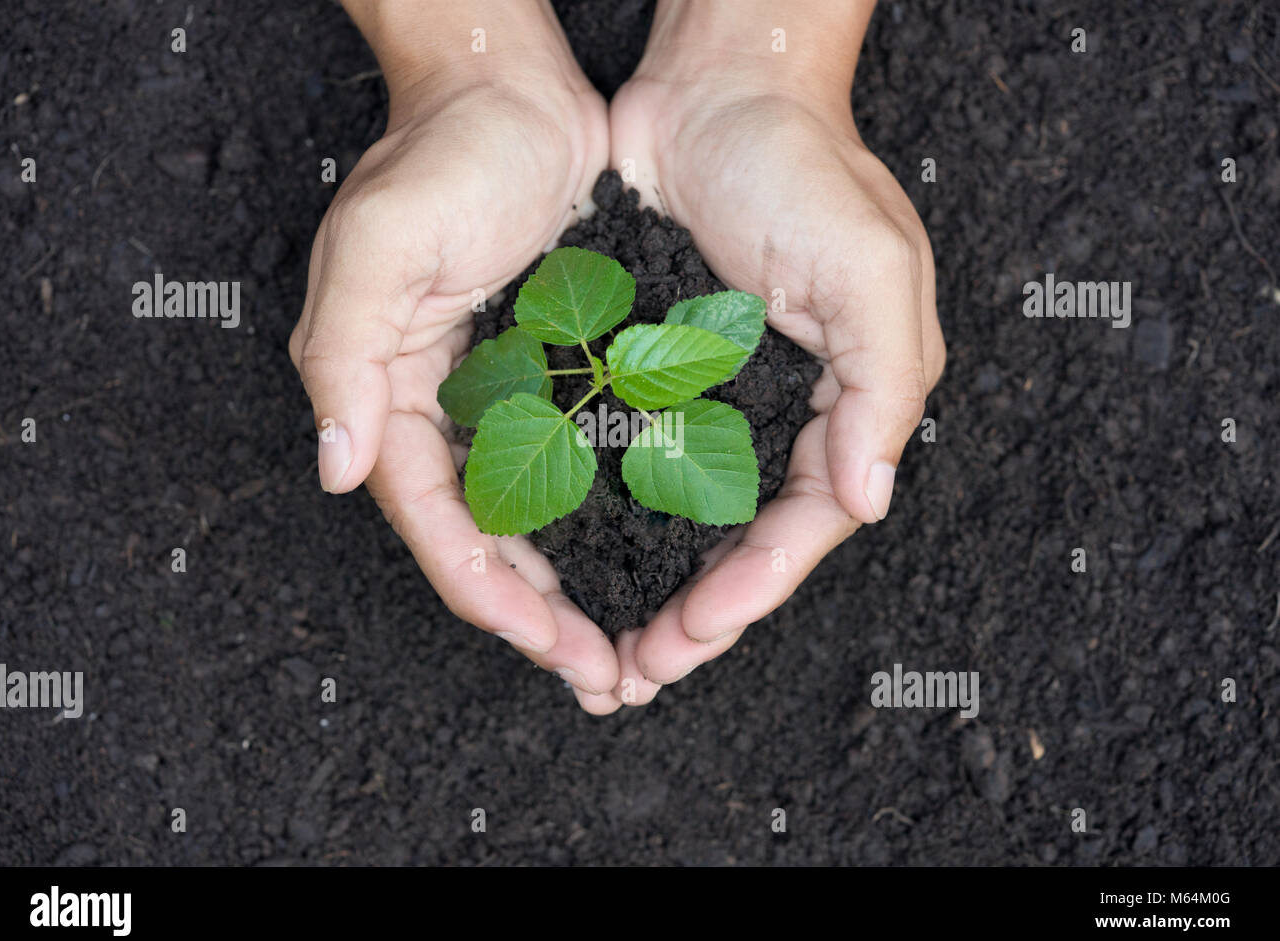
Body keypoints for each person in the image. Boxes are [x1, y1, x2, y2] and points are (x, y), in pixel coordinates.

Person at [289, 0, 946, 714]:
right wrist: (464, 67)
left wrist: (766, 63)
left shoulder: (605, 344)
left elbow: (718, 404)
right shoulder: (575, 348)